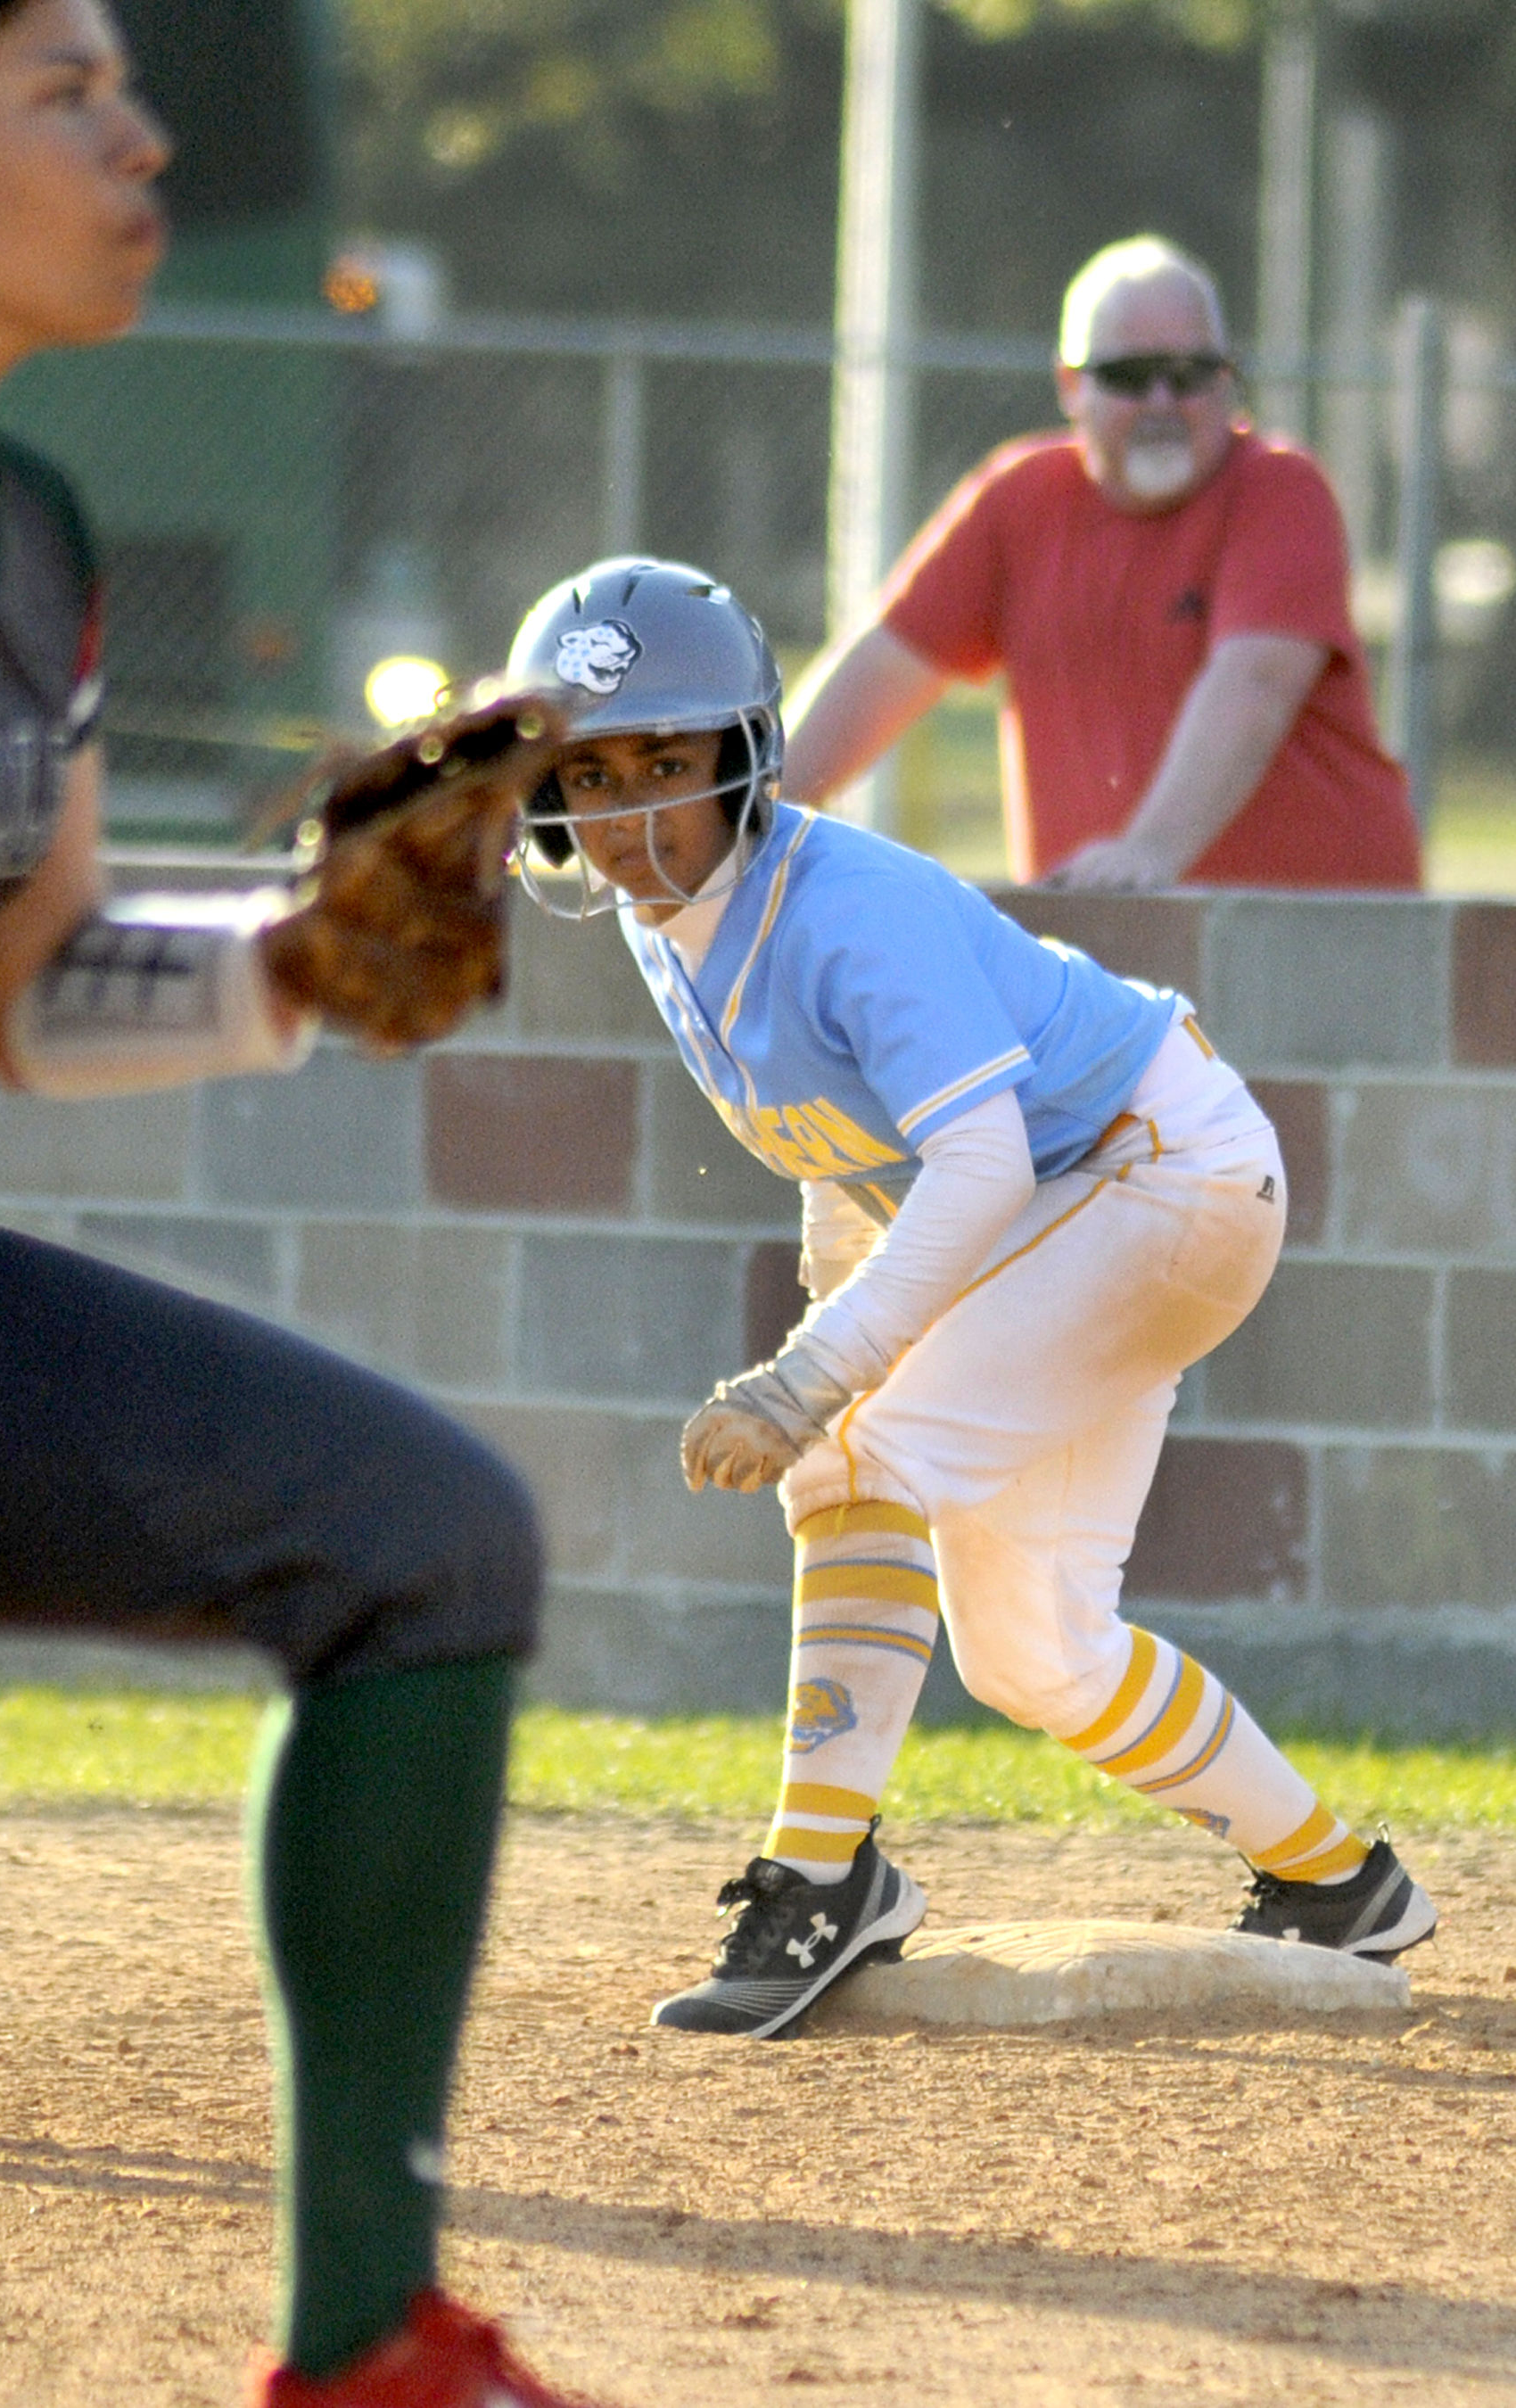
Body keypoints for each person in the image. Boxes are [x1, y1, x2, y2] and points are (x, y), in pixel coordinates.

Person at [0, 4, 606, 2402]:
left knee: (422, 1541)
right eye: (65, 91)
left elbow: (31, 996)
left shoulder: (27, 536)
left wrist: (297, 961)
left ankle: (369, 2350)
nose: (144, 138)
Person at [508, 554, 1436, 2041]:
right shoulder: (661, 923)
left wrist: (817, 1380)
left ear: (749, 759)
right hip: (1095, 1200)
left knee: (854, 1458)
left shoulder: (839, 904)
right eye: (590, 772)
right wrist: (832, 1340)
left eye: (666, 764)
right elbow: (846, 1160)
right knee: (1035, 1652)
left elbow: (981, 1159)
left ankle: (822, 1880)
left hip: (1154, 1173)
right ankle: (1337, 1881)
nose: (625, 813)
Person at [783, 235, 1421, 893]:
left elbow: (1254, 685)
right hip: (1112, 945)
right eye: (1128, 378)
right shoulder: (1017, 499)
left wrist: (1149, 851)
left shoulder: (1280, 491)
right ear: (1070, 384)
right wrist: (745, 828)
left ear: (1226, 379)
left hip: (1322, 938)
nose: (1162, 404)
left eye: (1190, 376)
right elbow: (880, 669)